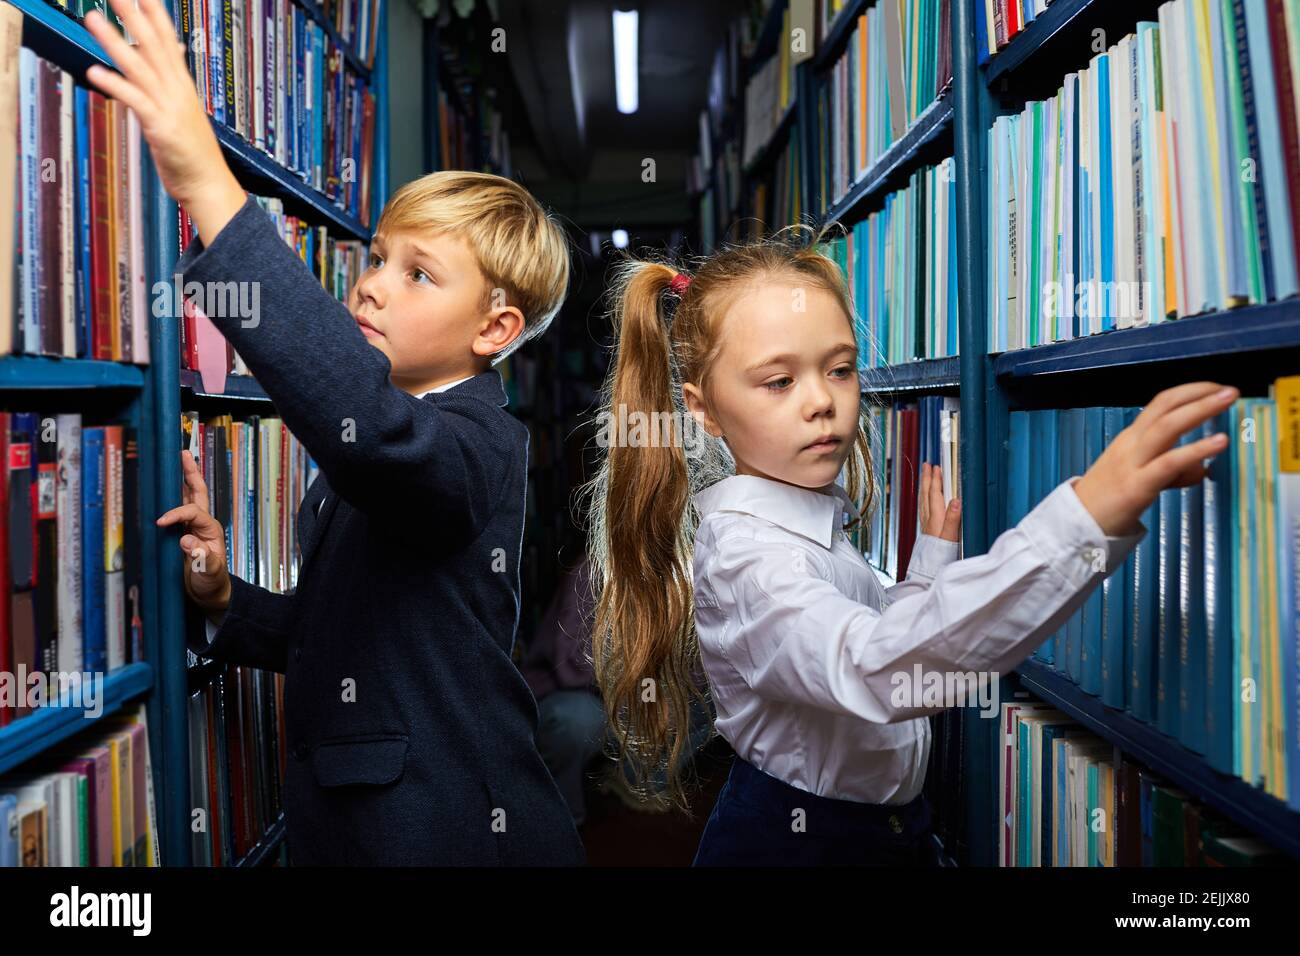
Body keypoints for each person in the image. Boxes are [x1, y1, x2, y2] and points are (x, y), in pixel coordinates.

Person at [89, 0, 583, 863]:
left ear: (495, 330)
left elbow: (372, 434)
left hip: (450, 833)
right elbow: (340, 641)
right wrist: (222, 599)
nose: (371, 286)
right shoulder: (395, 444)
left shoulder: (474, 446)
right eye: (377, 259)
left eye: (418, 274)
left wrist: (209, 185)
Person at [583, 226, 1237, 866]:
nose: (822, 402)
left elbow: (869, 635)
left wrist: (928, 564)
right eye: (778, 382)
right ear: (704, 410)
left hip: (886, 830)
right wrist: (1086, 516)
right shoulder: (750, 565)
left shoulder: (807, 530)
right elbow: (880, 669)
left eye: (839, 369)